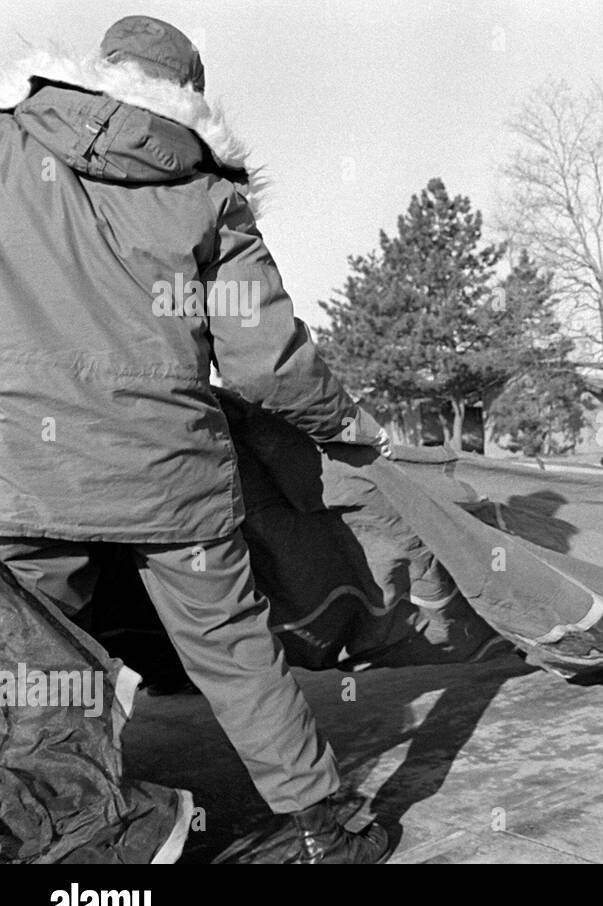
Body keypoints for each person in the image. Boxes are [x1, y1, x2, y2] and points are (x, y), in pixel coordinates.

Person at [0, 16, 393, 862]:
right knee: (234, 650)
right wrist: (348, 423)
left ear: (95, 69)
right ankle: (329, 824)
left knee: (29, 664)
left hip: (23, 467)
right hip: (171, 476)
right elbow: (266, 362)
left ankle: (55, 826)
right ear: (190, 93)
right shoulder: (209, 193)